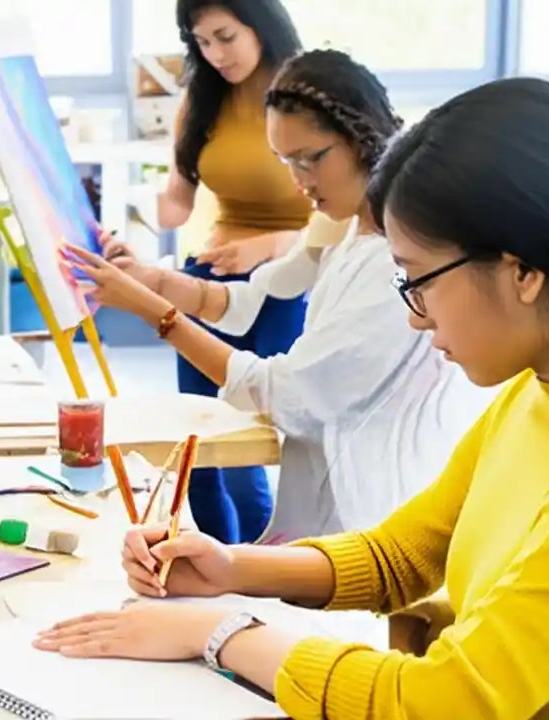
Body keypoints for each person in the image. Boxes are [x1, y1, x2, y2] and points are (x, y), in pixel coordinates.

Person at [39, 77, 549, 719]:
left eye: (417, 281)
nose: (416, 318)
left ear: (522, 271)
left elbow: (441, 702)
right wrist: (228, 568)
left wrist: (217, 632)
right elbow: (408, 554)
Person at [68, 50, 488, 542]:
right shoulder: (343, 228)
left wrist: (152, 310)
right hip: (329, 513)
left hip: (372, 520)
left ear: (365, 138)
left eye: (312, 158)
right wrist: (150, 280)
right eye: (287, 161)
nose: (299, 180)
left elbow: (283, 393)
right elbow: (245, 303)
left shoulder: (392, 267)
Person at [156, 0, 317, 544]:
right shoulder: (200, 101)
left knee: (242, 445)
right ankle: (211, 575)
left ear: (260, 24)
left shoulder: (310, 93)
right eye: (201, 42)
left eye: (225, 36)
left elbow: (347, 217)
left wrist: (267, 246)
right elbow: (175, 207)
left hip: (288, 283)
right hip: (211, 277)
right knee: (196, 452)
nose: (215, 54)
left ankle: (257, 576)